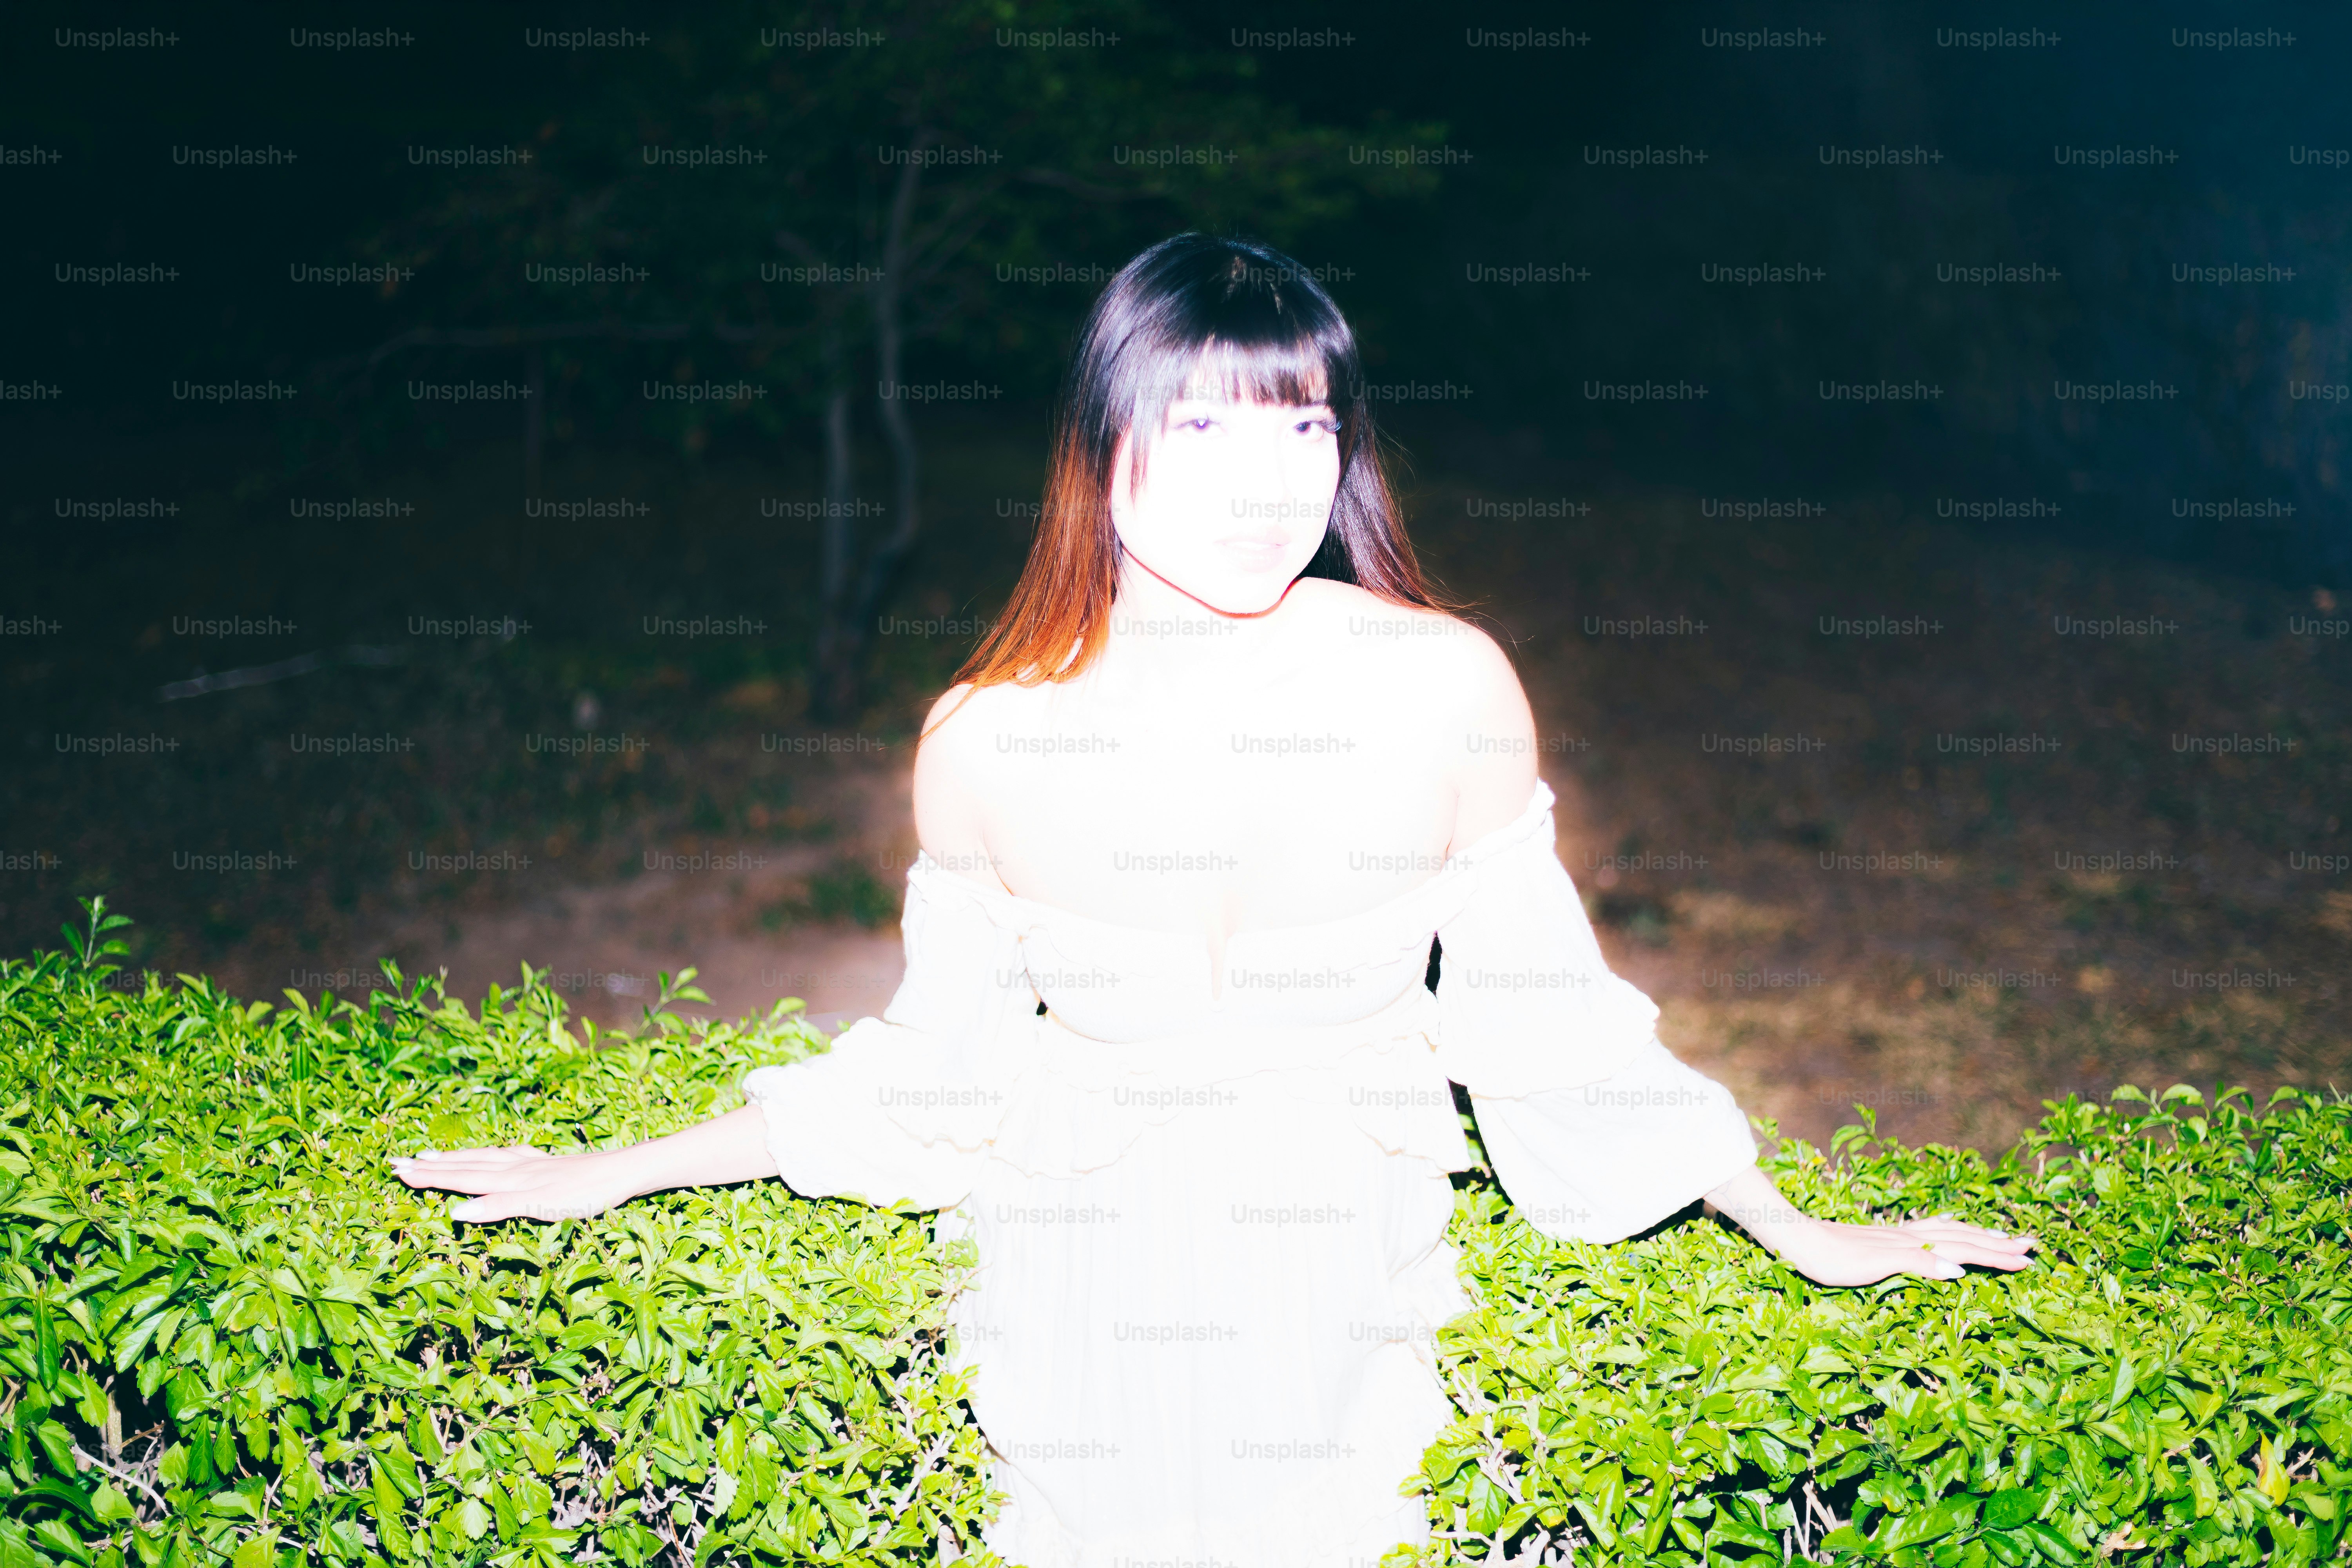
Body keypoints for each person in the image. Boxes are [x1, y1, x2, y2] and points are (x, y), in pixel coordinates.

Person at [391, 233, 2036, 1568]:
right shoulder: (989, 737)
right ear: (1098, 447)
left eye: (1306, 427)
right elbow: (934, 1078)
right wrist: (607, 1172)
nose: (1269, 485)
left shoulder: (1444, 687)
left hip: (1348, 1282)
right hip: (1077, 1298)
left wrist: (1799, 1229)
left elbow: (1551, 1024)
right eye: (1206, 430)